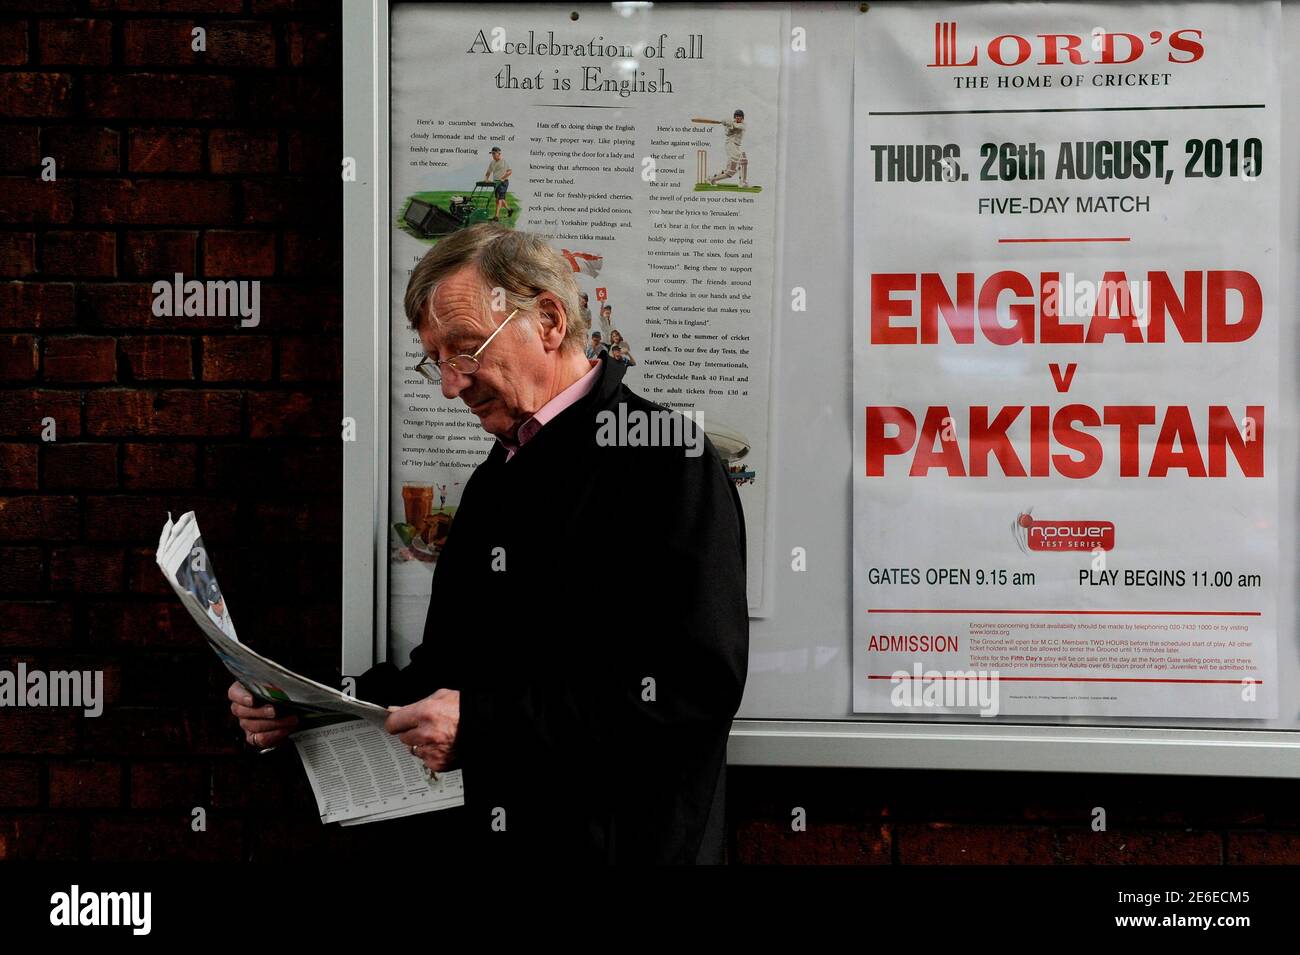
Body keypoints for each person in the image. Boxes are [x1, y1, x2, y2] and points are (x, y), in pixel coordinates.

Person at [229, 223, 748, 865]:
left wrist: (483, 726)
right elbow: (445, 670)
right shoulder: (496, 475)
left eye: (467, 349)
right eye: (437, 360)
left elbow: (690, 693)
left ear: (550, 320)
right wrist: (309, 708)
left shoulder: (667, 461)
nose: (452, 385)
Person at [693, 109, 748, 187]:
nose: (738, 118)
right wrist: (727, 124)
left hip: (736, 146)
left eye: (739, 116)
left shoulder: (743, 125)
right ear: (734, 117)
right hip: (730, 145)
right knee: (743, 158)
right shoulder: (731, 124)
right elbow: (728, 132)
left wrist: (729, 123)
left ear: (742, 118)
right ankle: (743, 182)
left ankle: (712, 179)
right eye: (736, 116)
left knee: (730, 172)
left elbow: (738, 127)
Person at [483, 146, 512, 221]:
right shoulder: (492, 162)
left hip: (503, 183)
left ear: (499, 153)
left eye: (494, 153)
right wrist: (486, 179)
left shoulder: (503, 161)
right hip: (495, 183)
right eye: (492, 154)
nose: (492, 155)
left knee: (499, 199)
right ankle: (509, 210)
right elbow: (488, 172)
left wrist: (503, 178)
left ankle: (496, 216)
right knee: (500, 199)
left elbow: (509, 171)